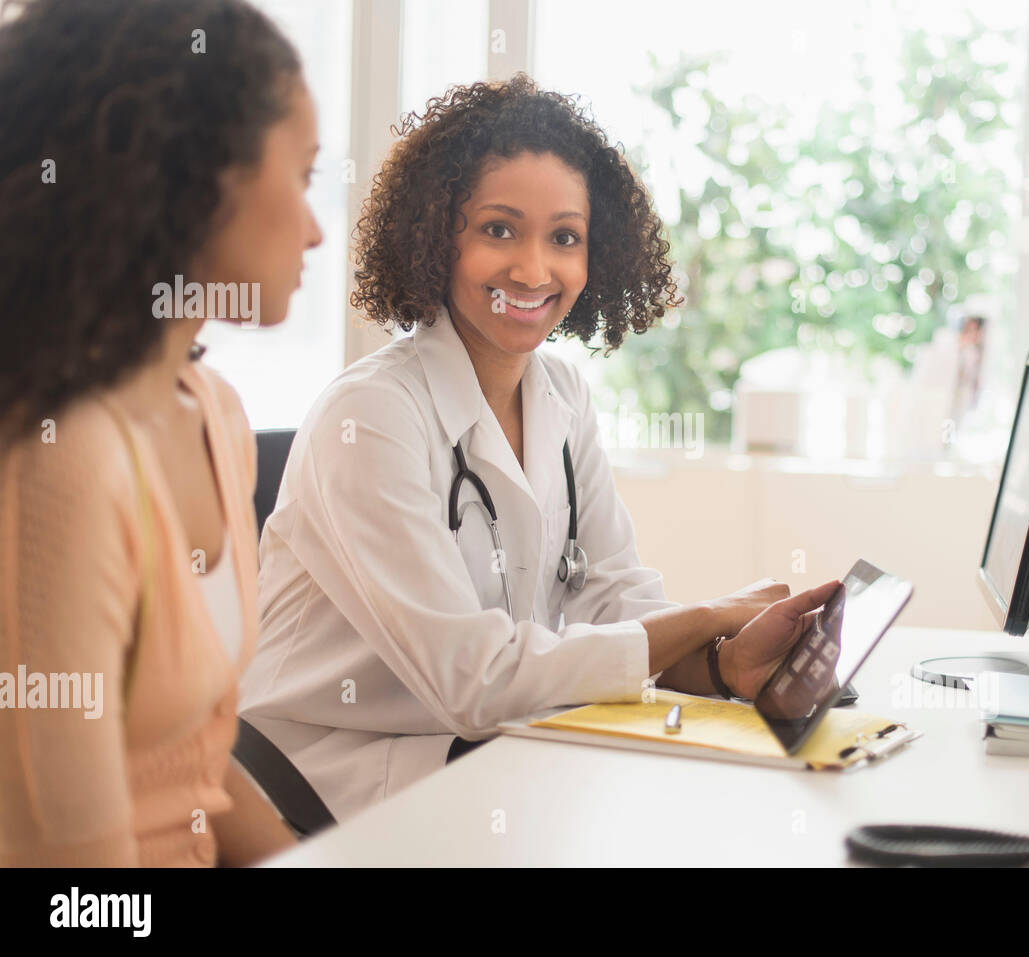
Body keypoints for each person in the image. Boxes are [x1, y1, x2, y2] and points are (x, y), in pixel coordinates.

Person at [240, 74, 839, 820]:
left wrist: (720, 661)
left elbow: (614, 599)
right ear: (436, 235)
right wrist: (707, 615)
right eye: (498, 229)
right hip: (317, 784)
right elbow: (475, 682)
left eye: (564, 237)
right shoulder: (370, 416)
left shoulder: (560, 394)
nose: (533, 269)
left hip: (476, 753)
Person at [0, 0, 322, 866]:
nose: (317, 229)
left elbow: (196, 764)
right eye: (305, 176)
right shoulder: (59, 462)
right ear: (198, 173)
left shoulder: (214, 412)